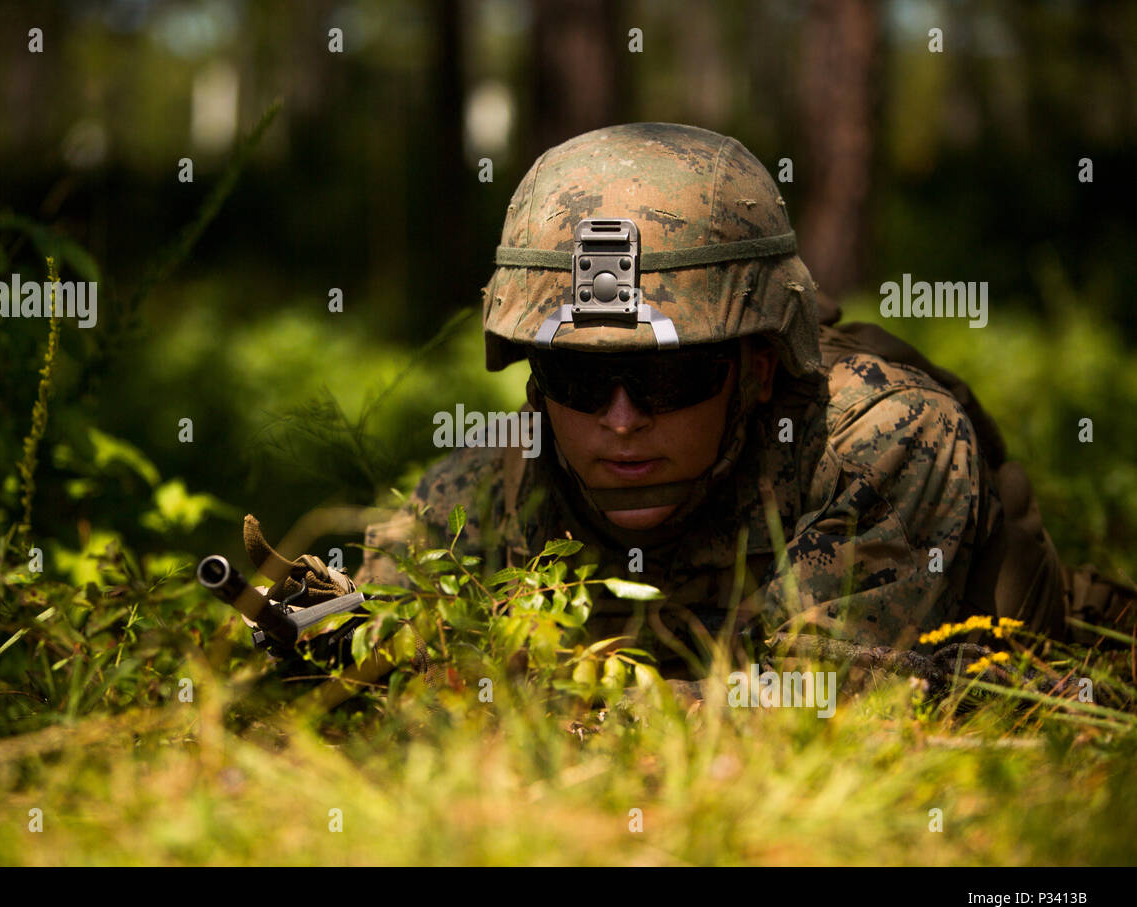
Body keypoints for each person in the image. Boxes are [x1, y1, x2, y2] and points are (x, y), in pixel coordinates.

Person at [248, 122, 1132, 691]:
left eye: (668, 380)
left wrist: (484, 699)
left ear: (754, 367)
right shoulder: (486, 490)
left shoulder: (880, 442)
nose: (622, 421)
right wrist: (334, 642)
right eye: (581, 381)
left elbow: (819, 715)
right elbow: (371, 635)